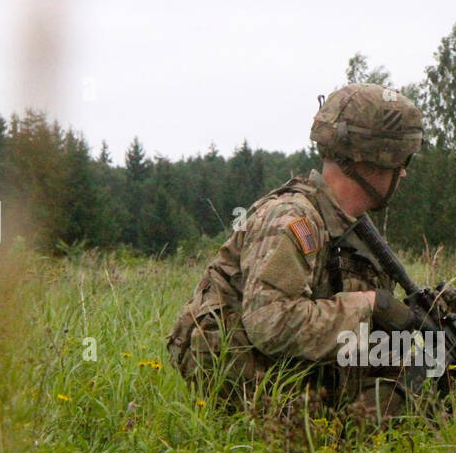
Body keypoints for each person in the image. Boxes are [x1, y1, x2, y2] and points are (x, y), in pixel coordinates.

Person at [166, 83, 431, 428]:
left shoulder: (346, 227)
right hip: (257, 398)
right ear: (377, 161)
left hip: (304, 388)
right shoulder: (292, 219)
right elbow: (270, 322)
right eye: (403, 160)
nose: (405, 172)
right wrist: (370, 306)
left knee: (420, 391)